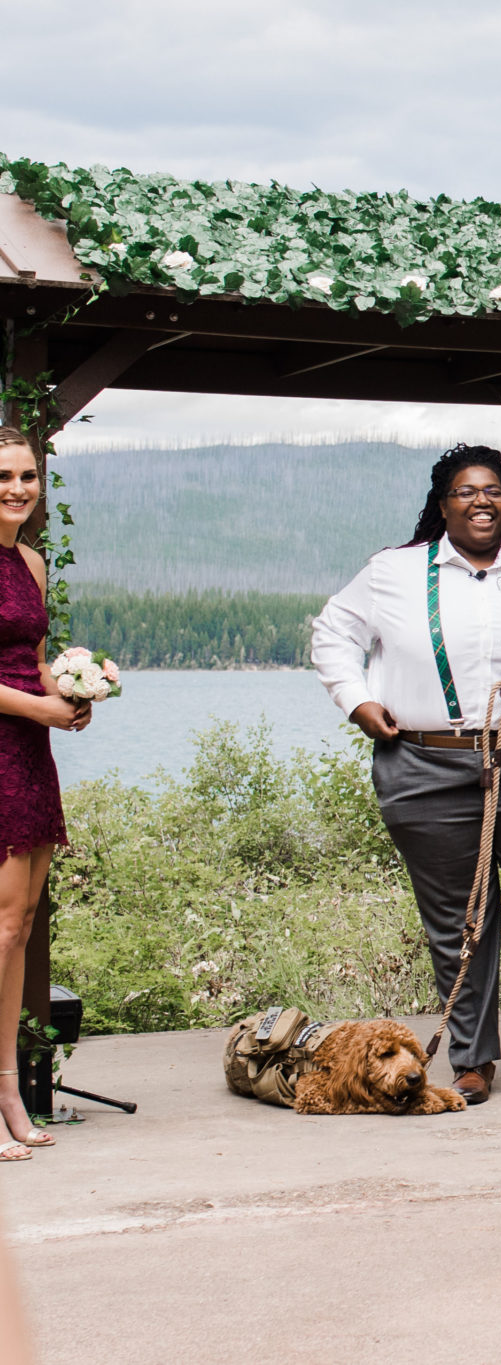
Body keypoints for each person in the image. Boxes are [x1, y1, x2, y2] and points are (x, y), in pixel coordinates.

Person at [310, 445, 501, 1104]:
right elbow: (332, 633)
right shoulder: (393, 572)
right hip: (424, 764)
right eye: (467, 491)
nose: (482, 500)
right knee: (458, 919)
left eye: (494, 490)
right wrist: (357, 699)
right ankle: (472, 1059)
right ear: (442, 504)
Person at [0, 427, 90, 1163]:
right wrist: (44, 708)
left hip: (31, 753)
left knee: (20, 926)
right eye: (4, 476)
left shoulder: (28, 559)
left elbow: (31, 659)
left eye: (28, 475)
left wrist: (76, 694)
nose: (18, 489)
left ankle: (6, 1087)